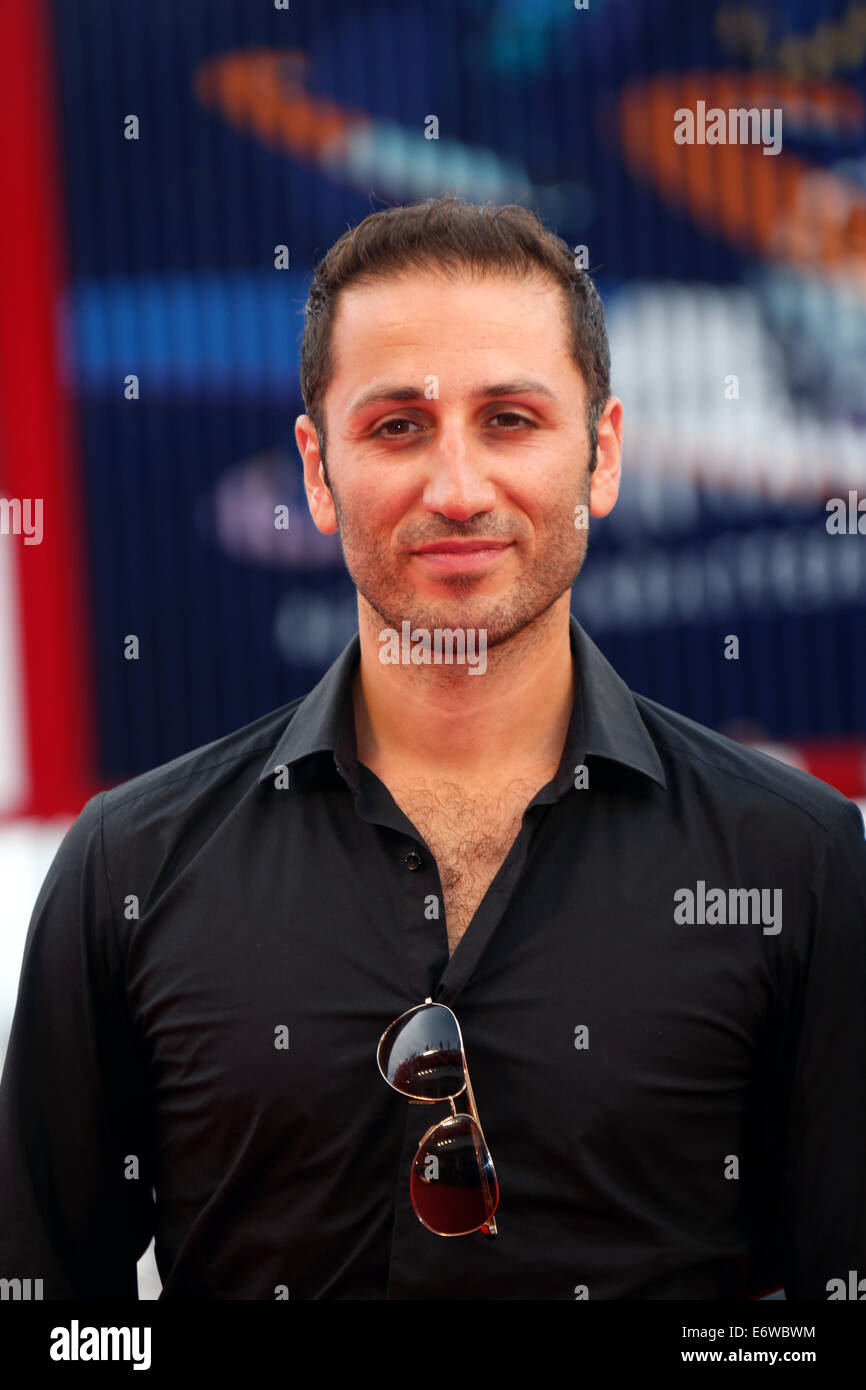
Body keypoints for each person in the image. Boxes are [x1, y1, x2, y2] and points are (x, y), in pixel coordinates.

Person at [1, 194, 864, 1300]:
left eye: (509, 419)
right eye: (397, 427)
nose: (456, 490)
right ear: (314, 472)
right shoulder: (125, 870)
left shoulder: (790, 861)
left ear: (601, 456)